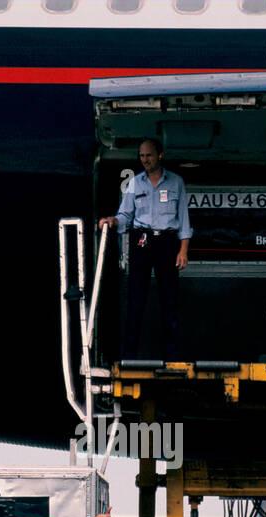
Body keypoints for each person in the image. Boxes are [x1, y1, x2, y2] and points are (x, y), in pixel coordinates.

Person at [99, 138, 192, 361]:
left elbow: (184, 221)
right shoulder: (135, 183)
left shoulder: (176, 182)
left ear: (160, 155)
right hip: (142, 242)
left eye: (149, 155)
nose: (145, 160)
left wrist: (183, 250)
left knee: (169, 300)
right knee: (136, 299)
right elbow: (125, 215)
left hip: (167, 243)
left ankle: (172, 358)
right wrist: (113, 221)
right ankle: (129, 357)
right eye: (141, 156)